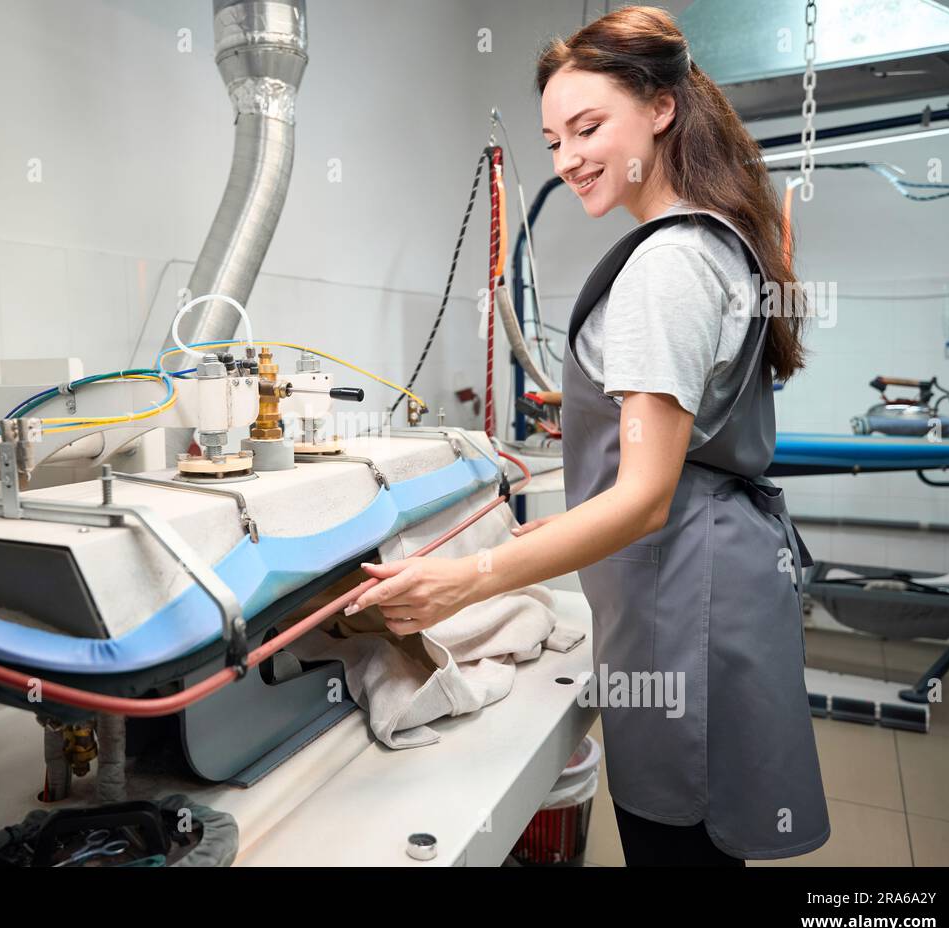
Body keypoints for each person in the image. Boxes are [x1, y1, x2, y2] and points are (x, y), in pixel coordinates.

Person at [348, 6, 830, 865]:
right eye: (553, 139)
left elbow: (644, 499)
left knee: (677, 841)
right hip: (707, 586)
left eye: (588, 126)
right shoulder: (714, 244)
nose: (568, 158)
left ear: (661, 108)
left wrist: (467, 580)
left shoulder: (665, 268)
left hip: (687, 603)